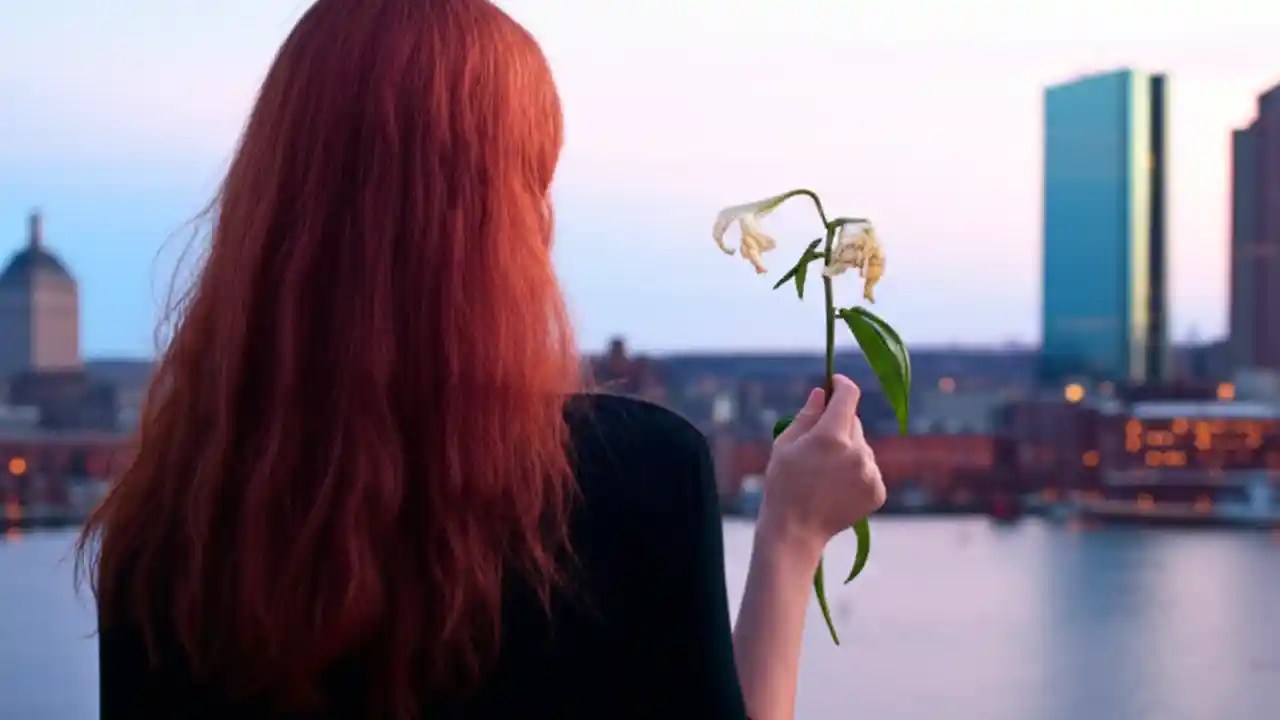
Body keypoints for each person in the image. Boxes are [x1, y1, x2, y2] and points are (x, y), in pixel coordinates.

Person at [77, 1, 886, 718]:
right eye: (532, 178)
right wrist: (791, 536)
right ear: (497, 221)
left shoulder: (167, 536)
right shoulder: (628, 478)